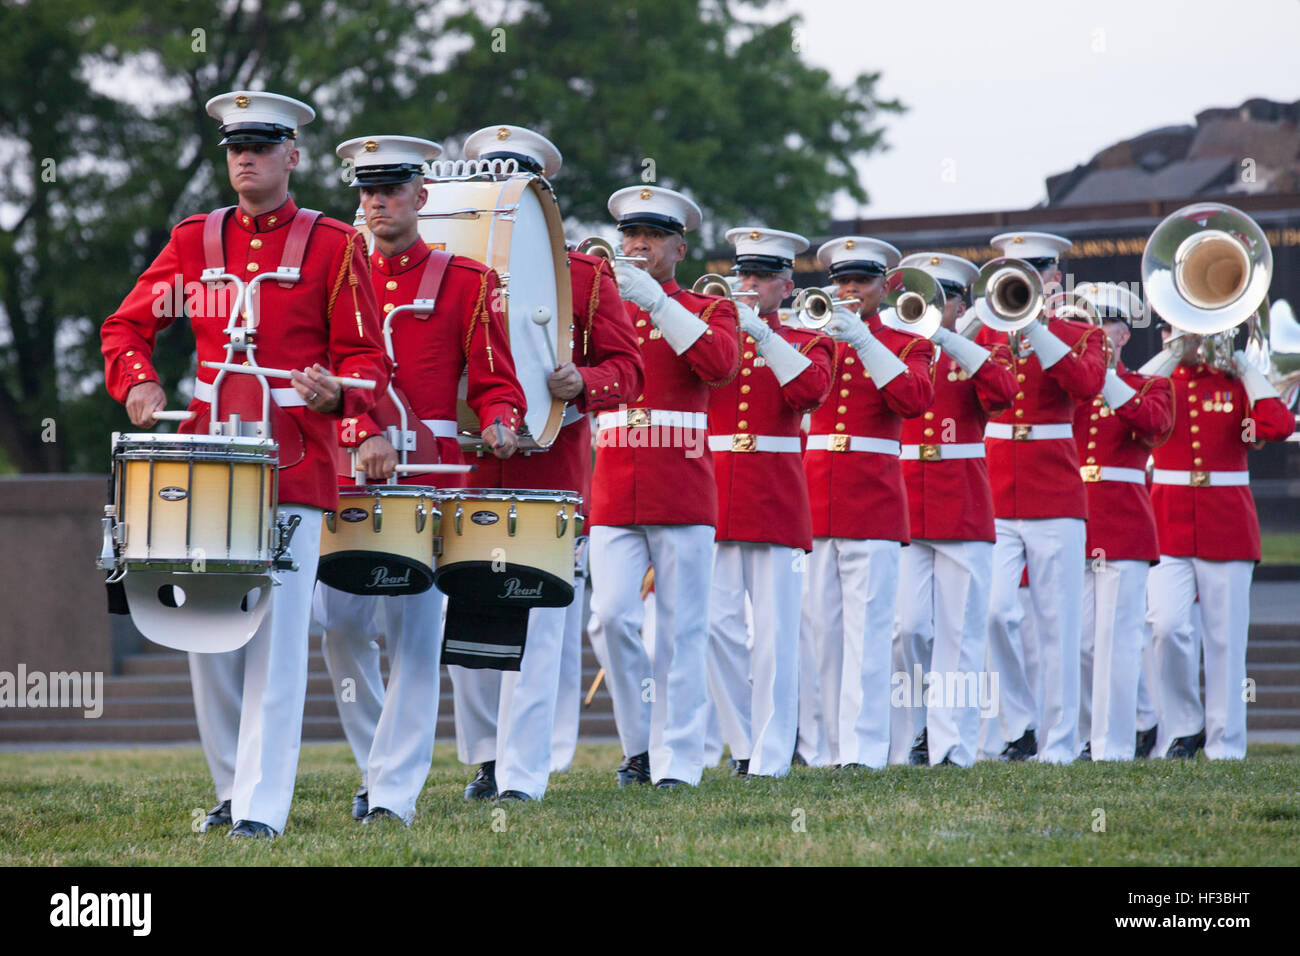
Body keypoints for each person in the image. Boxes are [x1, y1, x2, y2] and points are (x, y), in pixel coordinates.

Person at [100, 91, 391, 838]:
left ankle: (263, 805)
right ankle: (230, 790)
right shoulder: (194, 241)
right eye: (236, 148)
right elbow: (128, 324)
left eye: (261, 146)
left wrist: (340, 396)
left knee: (276, 641)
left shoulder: (334, 244)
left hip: (292, 466)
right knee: (204, 635)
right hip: (205, 465)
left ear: (293, 155)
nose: (246, 159)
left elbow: (365, 358)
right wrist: (137, 380)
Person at [312, 134, 526, 825]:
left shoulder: (467, 281)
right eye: (368, 191)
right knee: (340, 625)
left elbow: (496, 381)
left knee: (413, 632)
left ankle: (391, 792)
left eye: (392, 190)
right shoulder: (333, 273)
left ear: (420, 198)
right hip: (346, 471)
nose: (377, 203)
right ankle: (378, 755)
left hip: (432, 475)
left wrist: (500, 420)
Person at [446, 126, 643, 803]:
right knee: (467, 623)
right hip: (467, 470)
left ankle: (523, 775)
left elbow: (629, 370)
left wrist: (583, 382)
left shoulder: (584, 275)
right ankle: (486, 759)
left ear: (538, 194)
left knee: (537, 624)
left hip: (549, 471)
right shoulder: (445, 265)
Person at [588, 185, 740, 789]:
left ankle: (677, 758)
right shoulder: (604, 309)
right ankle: (640, 742)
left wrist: (655, 301)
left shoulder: (708, 308)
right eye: (630, 236)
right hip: (615, 484)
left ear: (679, 246)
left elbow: (720, 365)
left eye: (651, 237)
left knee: (681, 627)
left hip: (681, 484)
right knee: (611, 619)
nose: (637, 246)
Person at [704, 227, 834, 778]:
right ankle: (743, 745)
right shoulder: (714, 335)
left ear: (786, 285)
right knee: (714, 629)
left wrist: (759, 331)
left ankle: (773, 754)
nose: (748, 284)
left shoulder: (809, 340)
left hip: (775, 496)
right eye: (743, 275)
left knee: (777, 637)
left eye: (760, 277)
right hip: (714, 494)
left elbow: (808, 392)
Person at [802, 236, 935, 769]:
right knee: (823, 634)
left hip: (873, 501)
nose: (849, 290)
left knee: (870, 633)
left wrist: (862, 339)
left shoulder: (908, 343)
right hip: (816, 498)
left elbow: (913, 399)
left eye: (860, 281)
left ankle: (865, 750)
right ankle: (829, 749)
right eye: (842, 281)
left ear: (885, 287)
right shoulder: (813, 338)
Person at [976, 232, 1105, 764]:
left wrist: (1038, 328)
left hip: (1054, 493)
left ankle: (1059, 744)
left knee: (1059, 625)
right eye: (1015, 270)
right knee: (994, 612)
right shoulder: (982, 332)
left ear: (1052, 277)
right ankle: (1019, 725)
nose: (1026, 279)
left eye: (1036, 270)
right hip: (997, 492)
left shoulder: (1081, 333)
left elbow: (1086, 385)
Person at [1142, 321, 1294, 759]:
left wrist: (1245, 367)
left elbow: (1277, 425)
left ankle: (1225, 744)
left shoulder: (1235, 381)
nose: (1188, 337)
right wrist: (1172, 355)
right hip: (1167, 520)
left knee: (1226, 639)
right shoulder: (1162, 378)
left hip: (1226, 522)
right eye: (1177, 328)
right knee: (1167, 627)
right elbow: (1129, 404)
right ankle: (1182, 729)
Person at [893, 253, 1017, 766]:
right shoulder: (896, 348)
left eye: (941, 297)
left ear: (961, 305)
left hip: (961, 499)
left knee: (962, 634)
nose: (929, 306)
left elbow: (1004, 393)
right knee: (909, 628)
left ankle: (954, 747)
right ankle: (920, 728)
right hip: (904, 497)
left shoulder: (981, 348)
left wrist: (948, 339)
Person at [1070, 283, 1173, 761]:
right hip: (1076, 520)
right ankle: (1087, 736)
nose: (1095, 331)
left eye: (1105, 323)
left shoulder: (1150, 384)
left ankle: (1115, 745)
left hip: (1125, 524)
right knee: (1083, 644)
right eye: (1087, 321)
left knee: (1119, 641)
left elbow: (1151, 424)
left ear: (1125, 334)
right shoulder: (1068, 388)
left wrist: (1103, 374)